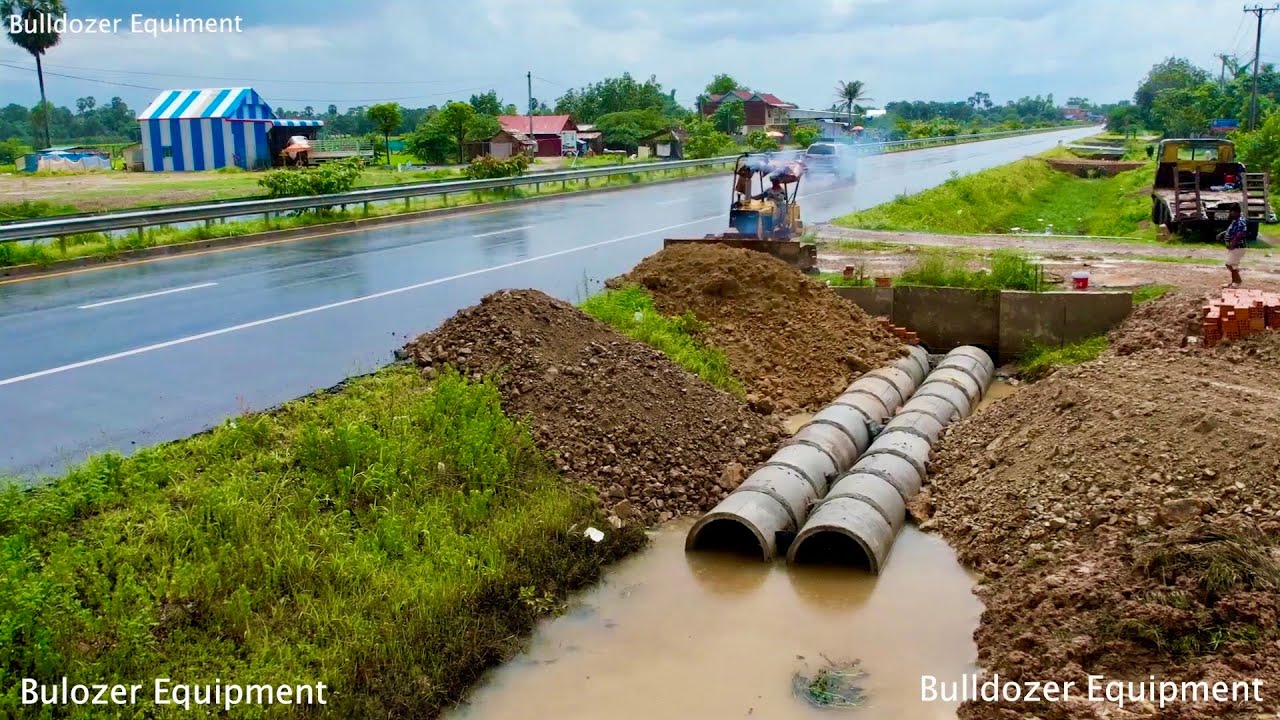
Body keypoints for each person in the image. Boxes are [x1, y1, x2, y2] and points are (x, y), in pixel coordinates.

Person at [1217, 205, 1248, 288]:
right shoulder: (1235, 221)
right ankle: (1234, 282)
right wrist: (1222, 234)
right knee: (1232, 265)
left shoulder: (1240, 221)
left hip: (1238, 246)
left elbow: (1240, 233)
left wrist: (1233, 243)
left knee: (1229, 264)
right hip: (1236, 247)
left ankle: (1237, 281)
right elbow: (1231, 230)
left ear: (1237, 212)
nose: (1230, 213)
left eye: (1232, 212)